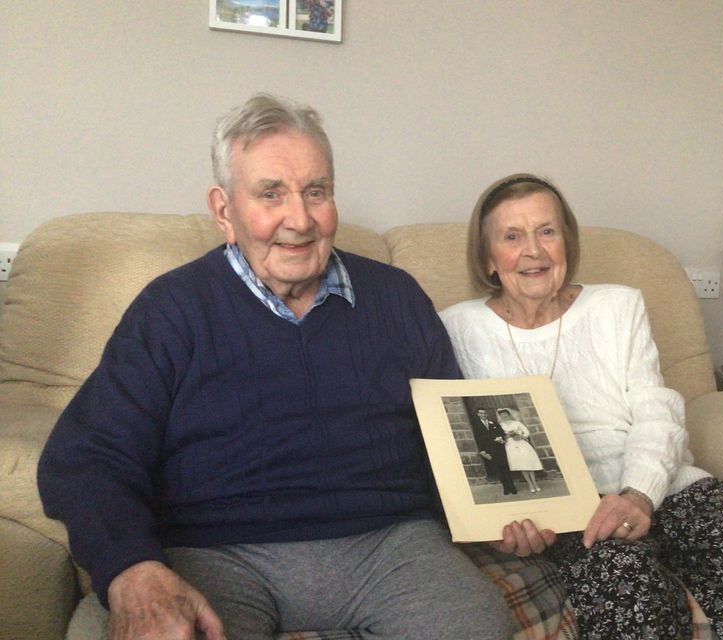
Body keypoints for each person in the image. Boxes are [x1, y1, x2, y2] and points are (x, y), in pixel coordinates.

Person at [36, 94, 513, 640]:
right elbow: (88, 455)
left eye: (317, 192)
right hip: (215, 551)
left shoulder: (396, 298)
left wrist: (498, 512)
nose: (301, 219)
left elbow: (456, 436)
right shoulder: (172, 309)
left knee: (475, 624)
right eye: (271, 194)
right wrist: (131, 569)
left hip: (389, 543)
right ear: (223, 210)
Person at [439, 173, 723, 639]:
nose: (533, 251)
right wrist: (500, 522)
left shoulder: (617, 306)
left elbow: (656, 409)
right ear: (488, 258)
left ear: (567, 242)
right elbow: (462, 445)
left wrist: (639, 493)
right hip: (571, 510)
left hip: (660, 482)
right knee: (629, 590)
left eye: (547, 231)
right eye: (512, 237)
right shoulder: (457, 328)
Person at [495, 408, 543, 492]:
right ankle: (530, 484)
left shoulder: (517, 423)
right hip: (510, 445)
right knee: (521, 464)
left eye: (505, 414)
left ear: (508, 414)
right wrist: (506, 436)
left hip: (521, 442)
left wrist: (522, 436)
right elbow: (500, 436)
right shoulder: (500, 425)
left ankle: (535, 483)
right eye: (502, 415)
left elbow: (527, 432)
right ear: (500, 416)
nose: (504, 416)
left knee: (528, 462)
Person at [472, 407, 517, 494]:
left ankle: (512, 487)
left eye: (484, 413)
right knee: (498, 469)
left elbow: (502, 433)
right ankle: (506, 488)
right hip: (489, 450)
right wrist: (483, 451)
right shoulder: (476, 425)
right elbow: (478, 439)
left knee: (505, 467)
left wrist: (501, 438)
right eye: (481, 413)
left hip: (499, 448)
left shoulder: (493, 422)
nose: (483, 415)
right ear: (478, 414)